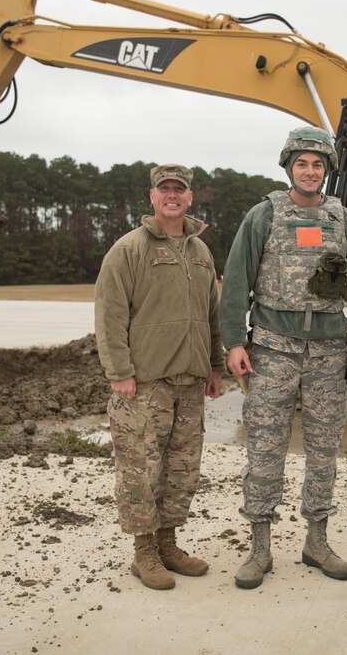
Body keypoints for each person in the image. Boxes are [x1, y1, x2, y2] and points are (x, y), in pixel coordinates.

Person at [220, 126, 347, 589]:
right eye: (302, 164)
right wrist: (234, 342)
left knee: (324, 449)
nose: (309, 172)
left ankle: (317, 540)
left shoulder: (343, 220)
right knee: (265, 447)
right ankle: (260, 548)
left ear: (328, 171)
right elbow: (235, 282)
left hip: (329, 353)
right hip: (272, 349)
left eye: (317, 164)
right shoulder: (263, 216)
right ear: (289, 167)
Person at [94, 163, 224, 591]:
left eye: (180, 190)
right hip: (144, 384)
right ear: (152, 197)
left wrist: (215, 366)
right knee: (140, 469)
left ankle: (168, 543)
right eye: (164, 189)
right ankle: (144, 552)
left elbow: (212, 316)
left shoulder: (201, 253)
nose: (172, 195)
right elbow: (110, 314)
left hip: (190, 383)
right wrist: (119, 373)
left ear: (190, 198)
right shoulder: (129, 249)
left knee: (181, 470)